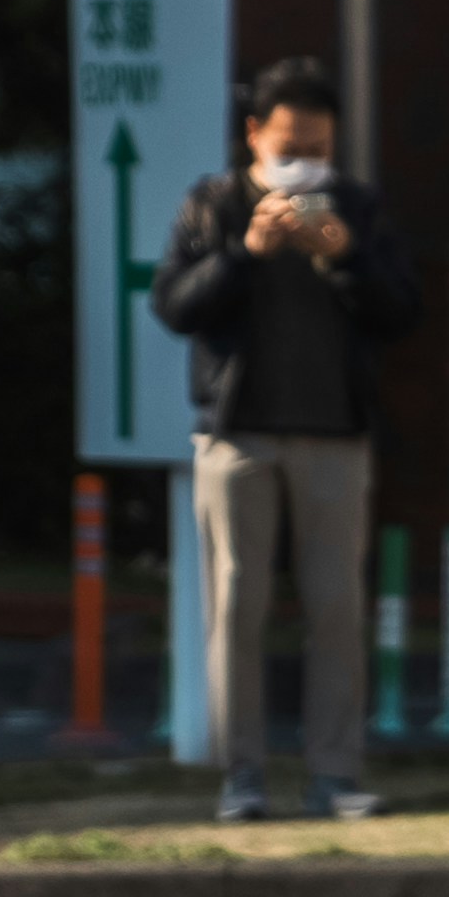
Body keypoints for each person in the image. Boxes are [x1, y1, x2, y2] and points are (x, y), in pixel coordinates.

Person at [150, 61, 420, 824]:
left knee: (335, 608)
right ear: (254, 137)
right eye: (290, 144)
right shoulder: (213, 203)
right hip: (236, 436)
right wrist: (245, 250)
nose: (304, 160)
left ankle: (335, 772)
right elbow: (173, 304)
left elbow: (403, 312)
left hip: (335, 434)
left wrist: (345, 256)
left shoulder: (358, 209)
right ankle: (243, 775)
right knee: (237, 604)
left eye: (319, 145)